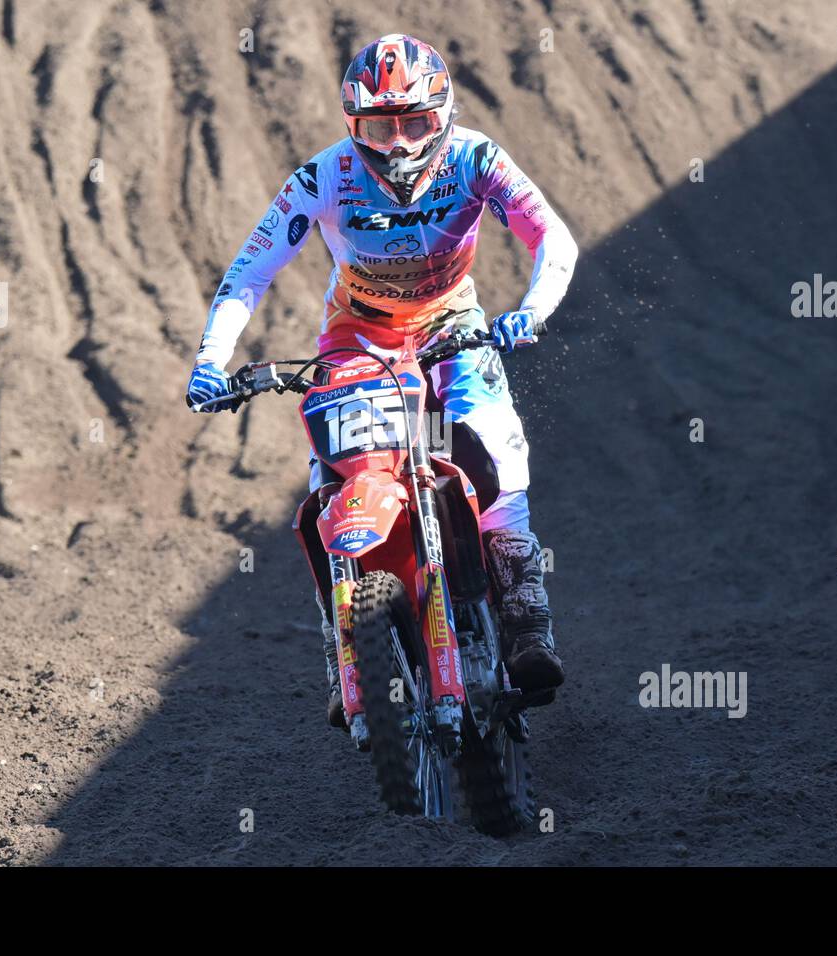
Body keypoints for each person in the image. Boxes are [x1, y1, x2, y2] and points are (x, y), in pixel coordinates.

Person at [188, 35, 578, 728]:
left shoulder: (477, 158)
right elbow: (250, 270)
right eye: (379, 127)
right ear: (352, 126)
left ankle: (526, 623)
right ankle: (348, 657)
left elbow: (552, 236)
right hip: (358, 339)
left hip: (453, 327)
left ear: (445, 115)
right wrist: (211, 362)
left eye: (415, 123)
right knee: (332, 480)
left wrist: (529, 314)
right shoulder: (325, 177)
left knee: (497, 455)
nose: (398, 146)